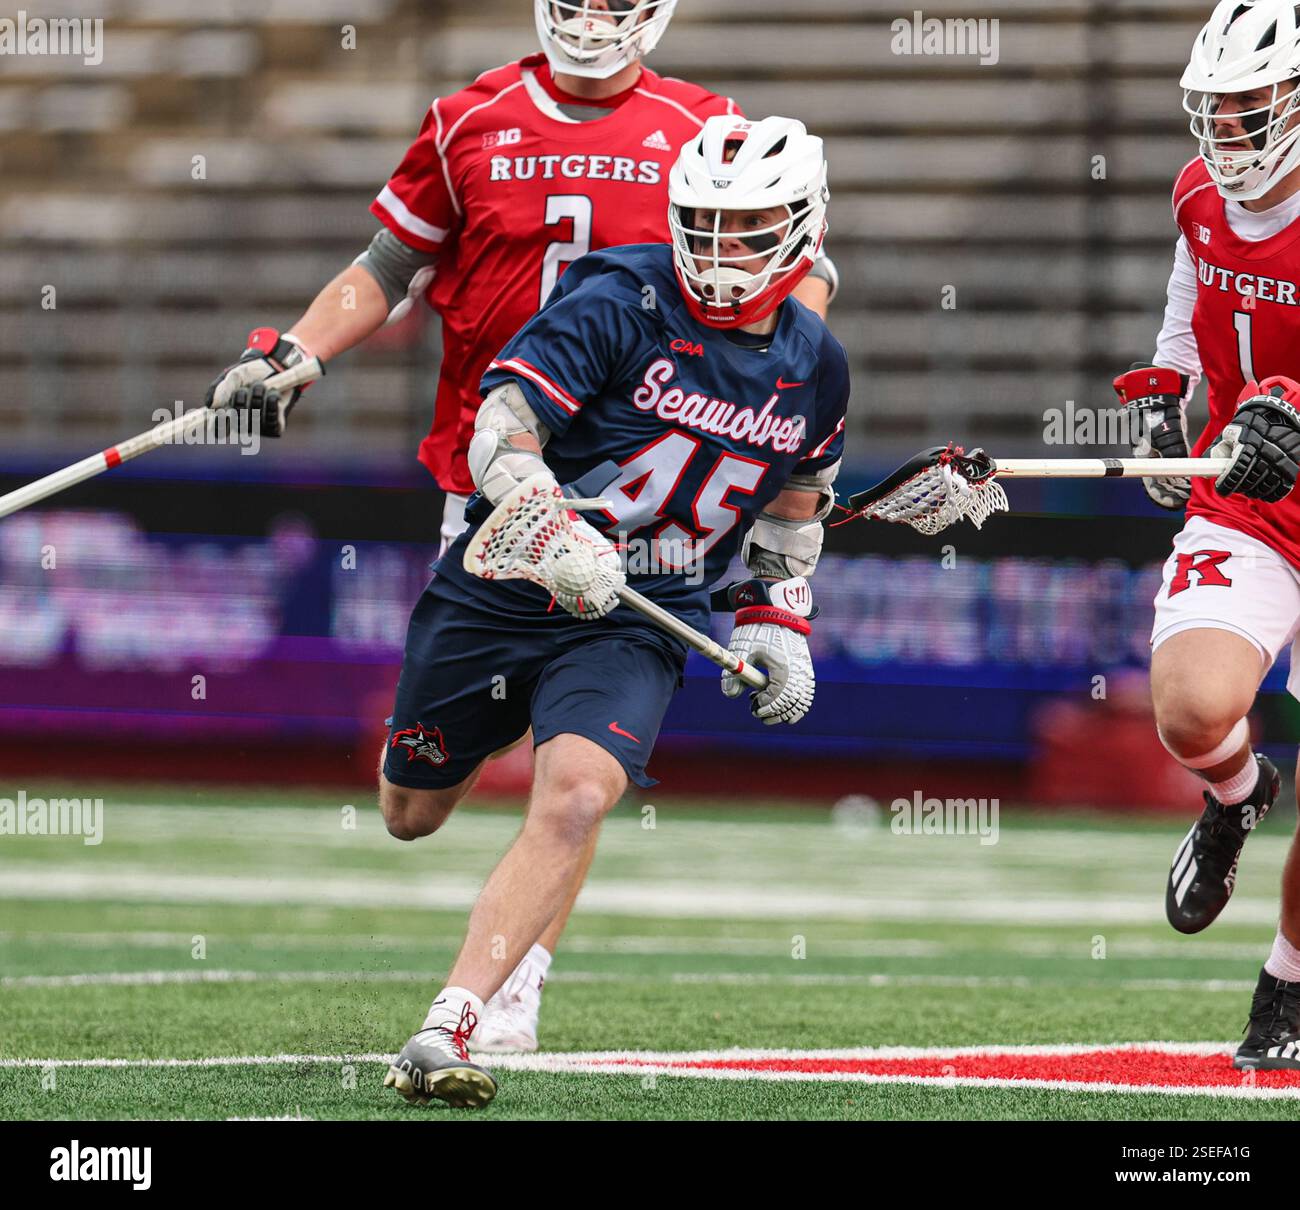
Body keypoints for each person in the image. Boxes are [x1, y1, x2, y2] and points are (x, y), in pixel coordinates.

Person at [205, 1, 838, 1053]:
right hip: (493, 467)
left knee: (580, 774)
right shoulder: (470, 118)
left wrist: (767, 408)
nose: (593, 18)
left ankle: (513, 978)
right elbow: (387, 268)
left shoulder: (713, 129)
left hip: (645, 497)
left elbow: (799, 283)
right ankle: (492, 739)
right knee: (413, 803)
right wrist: (303, 349)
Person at [378, 114, 848, 1107]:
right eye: (704, 225)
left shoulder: (817, 363)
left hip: (648, 600)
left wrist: (776, 623)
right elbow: (499, 427)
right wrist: (549, 521)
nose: (721, 253)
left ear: (805, 229)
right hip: (510, 575)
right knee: (410, 811)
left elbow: (796, 511)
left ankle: (450, 1022)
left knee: (580, 793)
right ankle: (468, 747)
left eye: (749, 228)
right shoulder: (619, 297)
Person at [1113, 0, 1300, 1070]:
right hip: (1252, 496)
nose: (1227, 132)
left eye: (1249, 108)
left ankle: (1285, 980)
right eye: (1215, 110)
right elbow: (1191, 298)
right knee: (1191, 710)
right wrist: (1167, 393)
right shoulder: (1197, 193)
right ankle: (1235, 794)